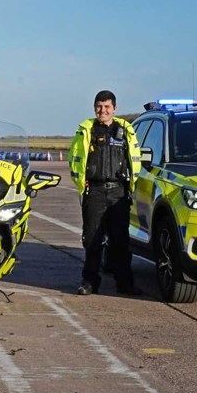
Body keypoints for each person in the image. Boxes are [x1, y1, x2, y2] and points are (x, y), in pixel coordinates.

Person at [69, 90, 142, 296]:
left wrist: (131, 188)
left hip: (119, 192)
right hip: (95, 191)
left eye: (107, 107)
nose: (103, 110)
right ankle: (90, 282)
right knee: (92, 239)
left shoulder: (124, 131)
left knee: (120, 241)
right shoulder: (87, 130)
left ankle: (125, 283)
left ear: (114, 109)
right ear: (94, 108)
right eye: (99, 107)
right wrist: (81, 184)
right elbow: (74, 158)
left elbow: (133, 159)